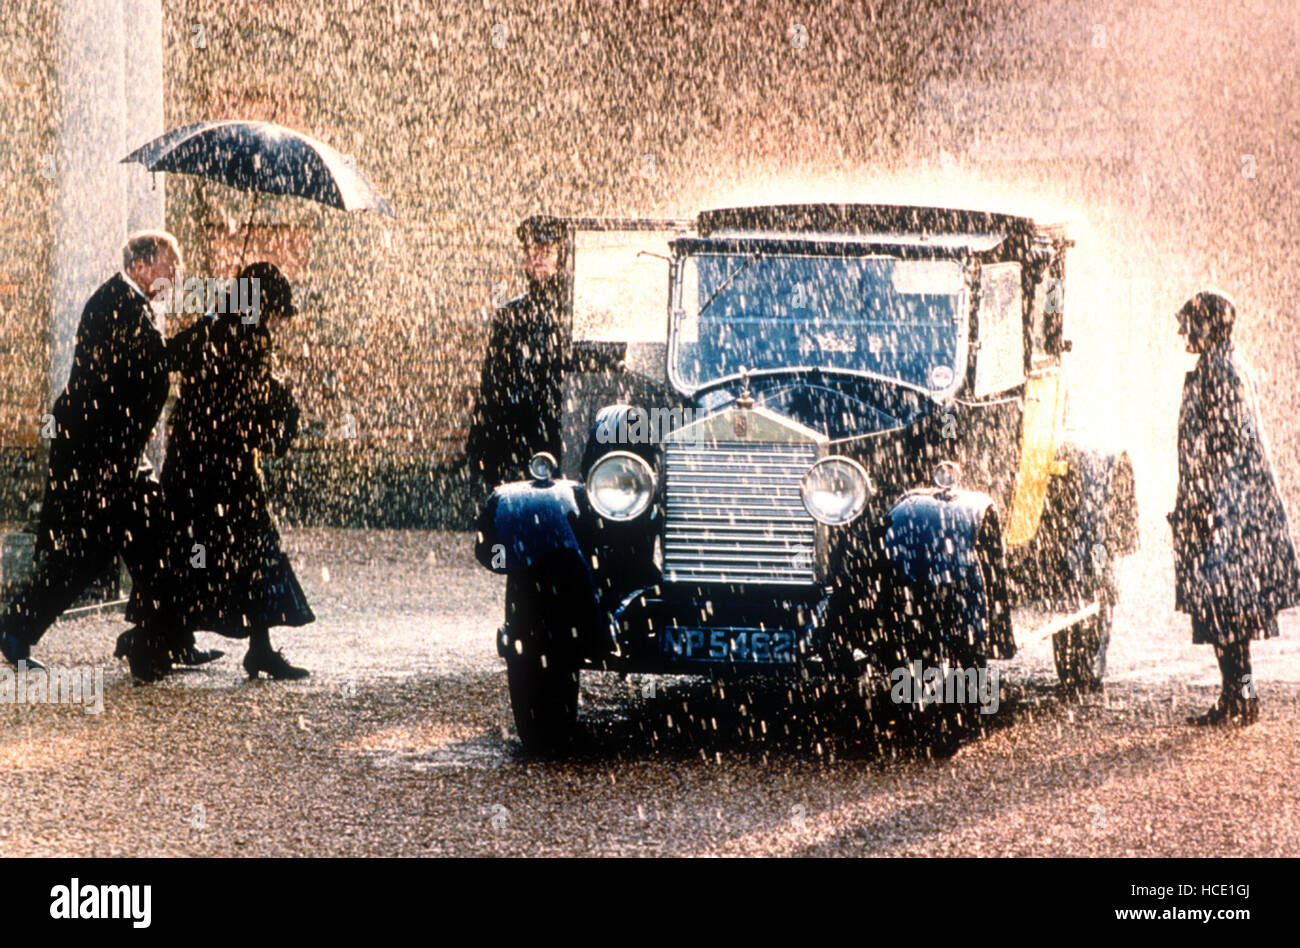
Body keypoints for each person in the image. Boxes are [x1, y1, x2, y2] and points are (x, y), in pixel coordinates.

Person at [0, 231, 183, 681]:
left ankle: (157, 643)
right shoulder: (115, 303)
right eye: (168, 265)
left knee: (137, 541)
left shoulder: (131, 303)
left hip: (114, 452)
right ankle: (150, 644)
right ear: (140, 264)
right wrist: (197, 336)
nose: (175, 275)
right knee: (93, 551)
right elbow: (141, 364)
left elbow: (138, 373)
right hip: (98, 453)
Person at [137, 261, 313, 680]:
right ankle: (157, 642)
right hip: (221, 466)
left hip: (203, 463)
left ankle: (172, 640)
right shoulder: (240, 332)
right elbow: (243, 395)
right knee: (237, 550)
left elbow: (176, 357)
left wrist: (210, 324)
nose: (273, 320)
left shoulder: (223, 327)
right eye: (270, 309)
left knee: (208, 550)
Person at [1169, 290, 1300, 726]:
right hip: (1229, 502)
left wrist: (1212, 499)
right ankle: (1238, 698)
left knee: (1225, 607)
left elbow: (1233, 437)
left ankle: (1241, 699)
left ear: (1210, 326)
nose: (1185, 332)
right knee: (1227, 610)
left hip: (1228, 507)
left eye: (1191, 323)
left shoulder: (1222, 370)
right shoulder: (1224, 365)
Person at [465, 216, 570, 491]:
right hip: (517, 429)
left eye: (546, 253)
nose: (538, 259)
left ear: (560, 260)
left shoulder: (573, 314)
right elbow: (493, 379)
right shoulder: (511, 314)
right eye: (532, 253)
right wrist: (482, 438)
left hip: (560, 426)